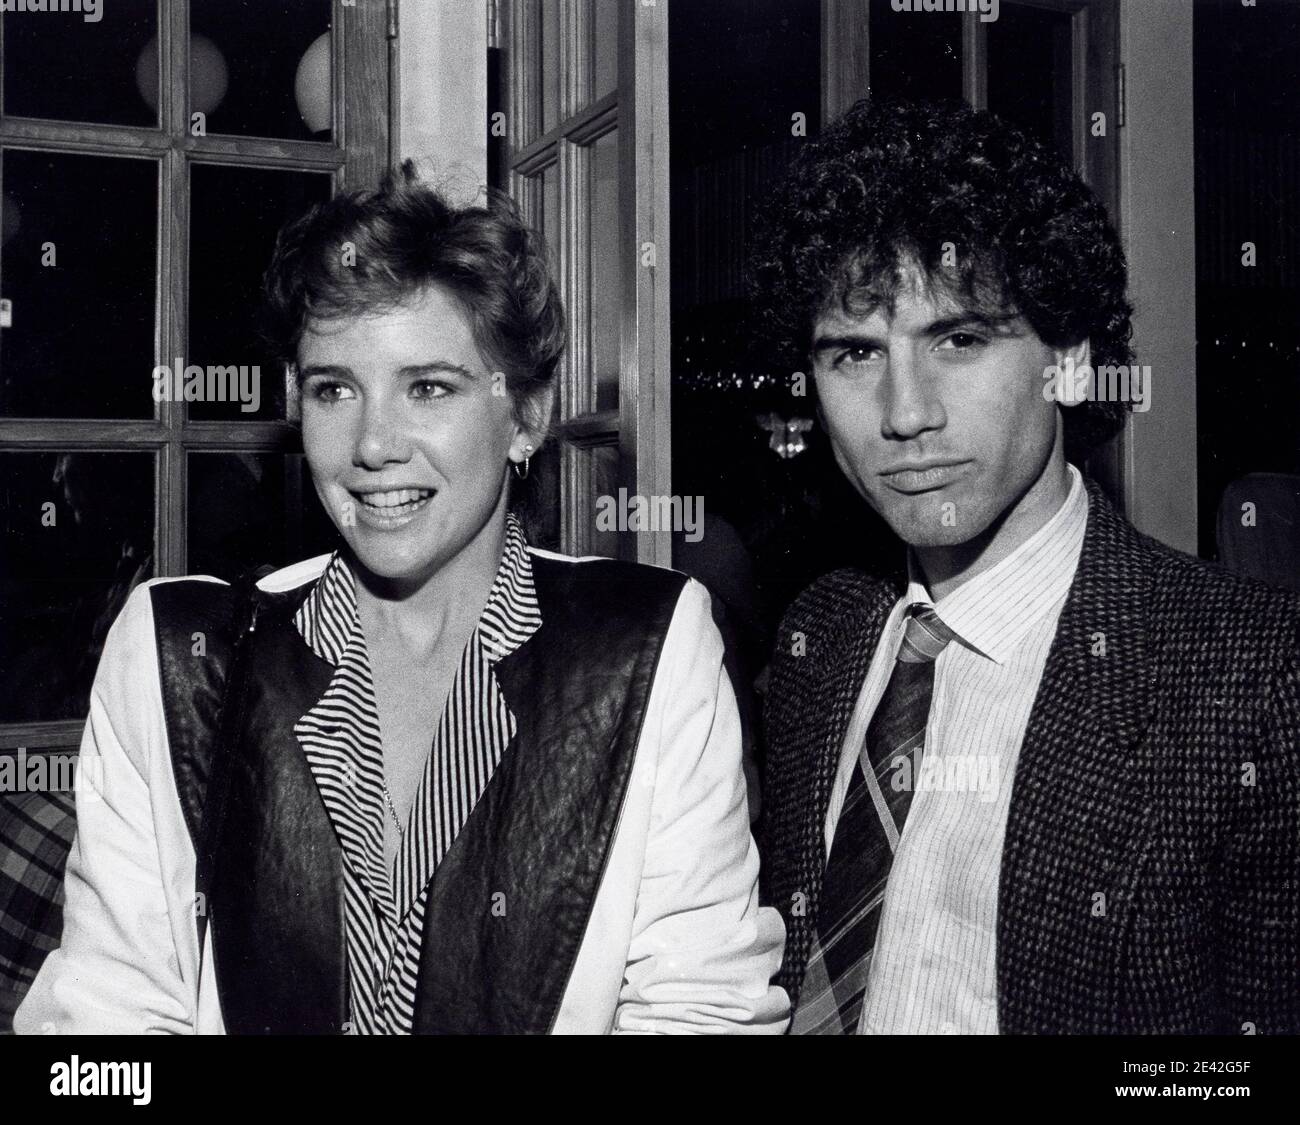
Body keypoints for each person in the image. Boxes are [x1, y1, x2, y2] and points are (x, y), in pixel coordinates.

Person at [16, 168, 788, 1035]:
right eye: (333, 389)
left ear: (526, 414)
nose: (373, 445)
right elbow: (100, 1027)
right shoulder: (178, 654)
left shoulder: (647, 645)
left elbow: (705, 1012)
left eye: (429, 388)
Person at [751, 98, 1300, 1035]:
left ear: (1073, 364)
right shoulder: (821, 636)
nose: (905, 412)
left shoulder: (1249, 675)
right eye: (854, 354)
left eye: (959, 341)